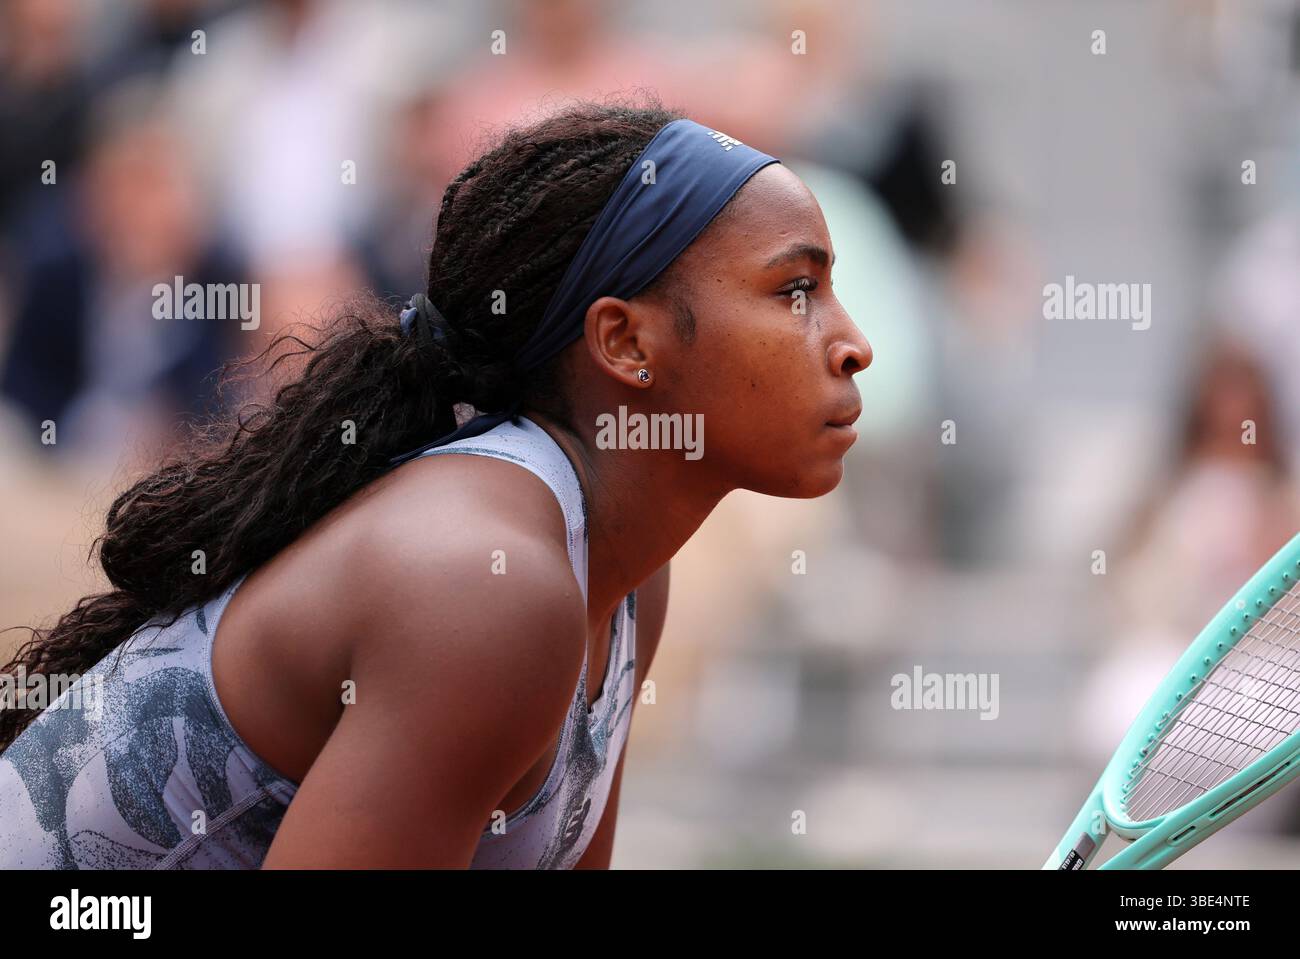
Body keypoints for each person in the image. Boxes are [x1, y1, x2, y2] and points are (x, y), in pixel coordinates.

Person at [0, 98, 872, 869]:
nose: (852, 342)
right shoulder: (488, 586)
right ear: (626, 343)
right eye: (796, 289)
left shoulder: (627, 568)